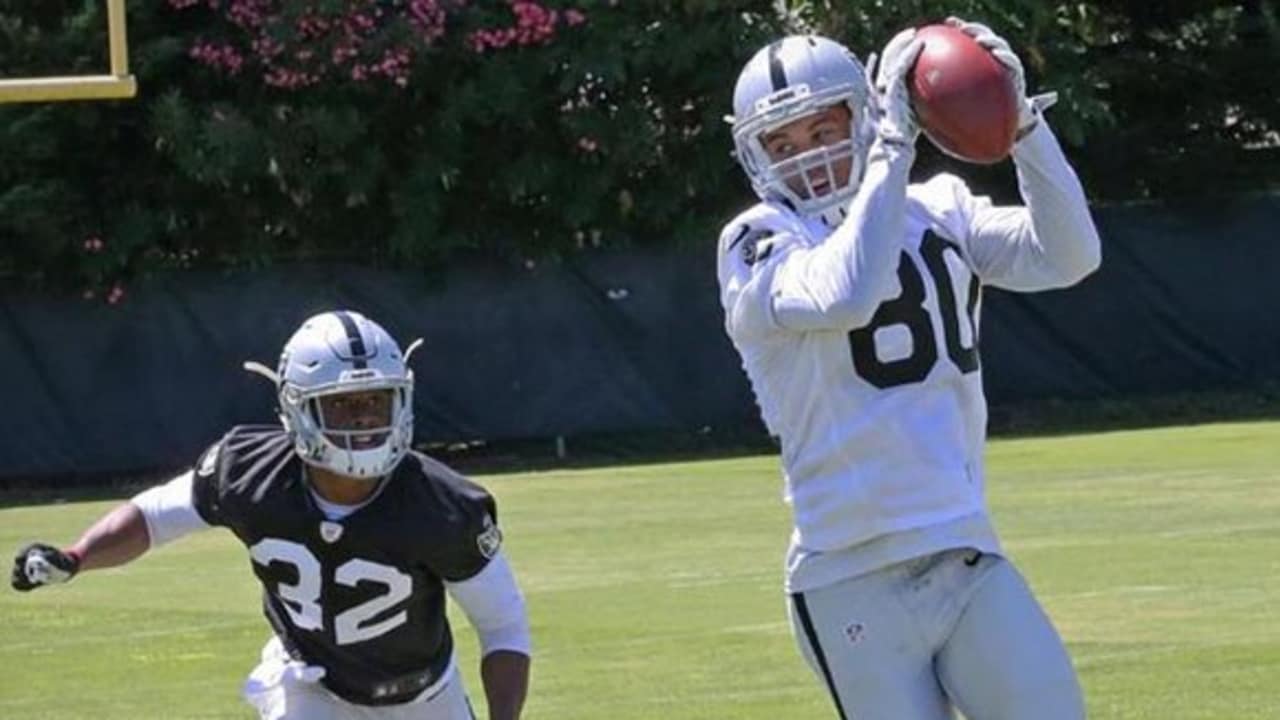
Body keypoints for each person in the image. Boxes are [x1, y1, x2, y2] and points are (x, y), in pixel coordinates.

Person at [717, 18, 1100, 720]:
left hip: (960, 543)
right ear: (755, 156)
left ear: (862, 115)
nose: (809, 156)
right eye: (783, 143)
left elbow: (1070, 255)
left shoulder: (939, 206)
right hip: (847, 569)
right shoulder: (755, 239)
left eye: (824, 129)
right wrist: (894, 149)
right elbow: (848, 292)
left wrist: (1022, 128)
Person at [11, 310, 531, 720]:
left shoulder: (443, 505)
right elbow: (154, 517)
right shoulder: (249, 472)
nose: (365, 420)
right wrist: (77, 556)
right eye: (344, 406)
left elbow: (502, 625)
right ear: (297, 408)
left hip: (424, 699)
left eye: (375, 402)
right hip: (311, 689)